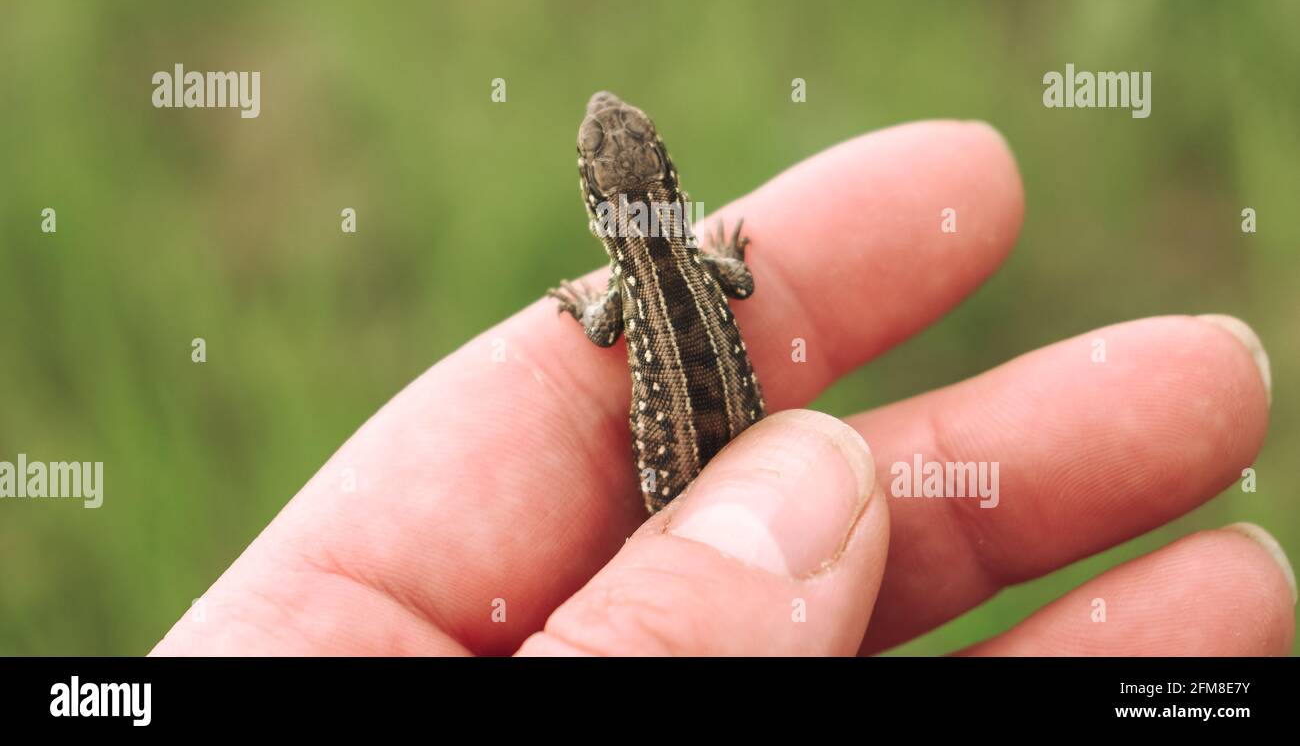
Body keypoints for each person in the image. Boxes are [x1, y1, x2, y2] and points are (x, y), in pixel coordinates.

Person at [152, 120, 1293, 656]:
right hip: (741, 441)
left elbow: (600, 322)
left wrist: (571, 301)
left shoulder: (622, 297)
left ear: (609, 216)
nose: (612, 137)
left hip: (681, 476)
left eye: (617, 150)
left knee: (688, 503)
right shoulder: (704, 264)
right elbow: (743, 276)